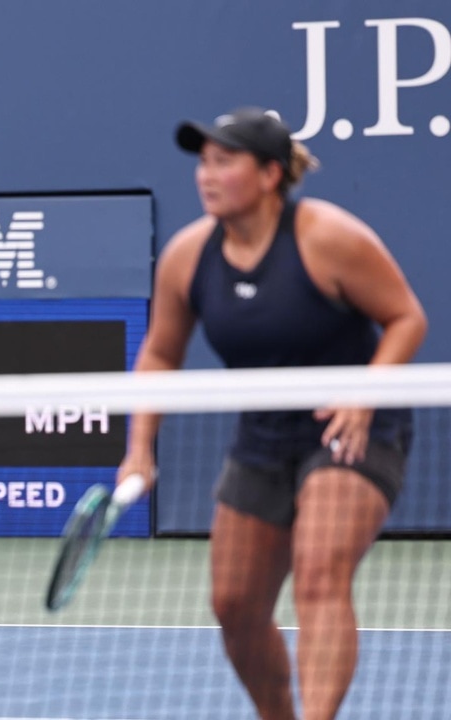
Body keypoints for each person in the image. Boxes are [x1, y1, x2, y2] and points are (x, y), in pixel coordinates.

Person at [118, 108, 426, 719]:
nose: (206, 175)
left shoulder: (327, 237)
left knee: (319, 574)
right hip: (262, 438)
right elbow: (158, 352)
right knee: (234, 606)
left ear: (269, 174)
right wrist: (139, 447)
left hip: (352, 428)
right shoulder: (189, 256)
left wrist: (364, 395)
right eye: (203, 162)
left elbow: (406, 317)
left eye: (224, 161)